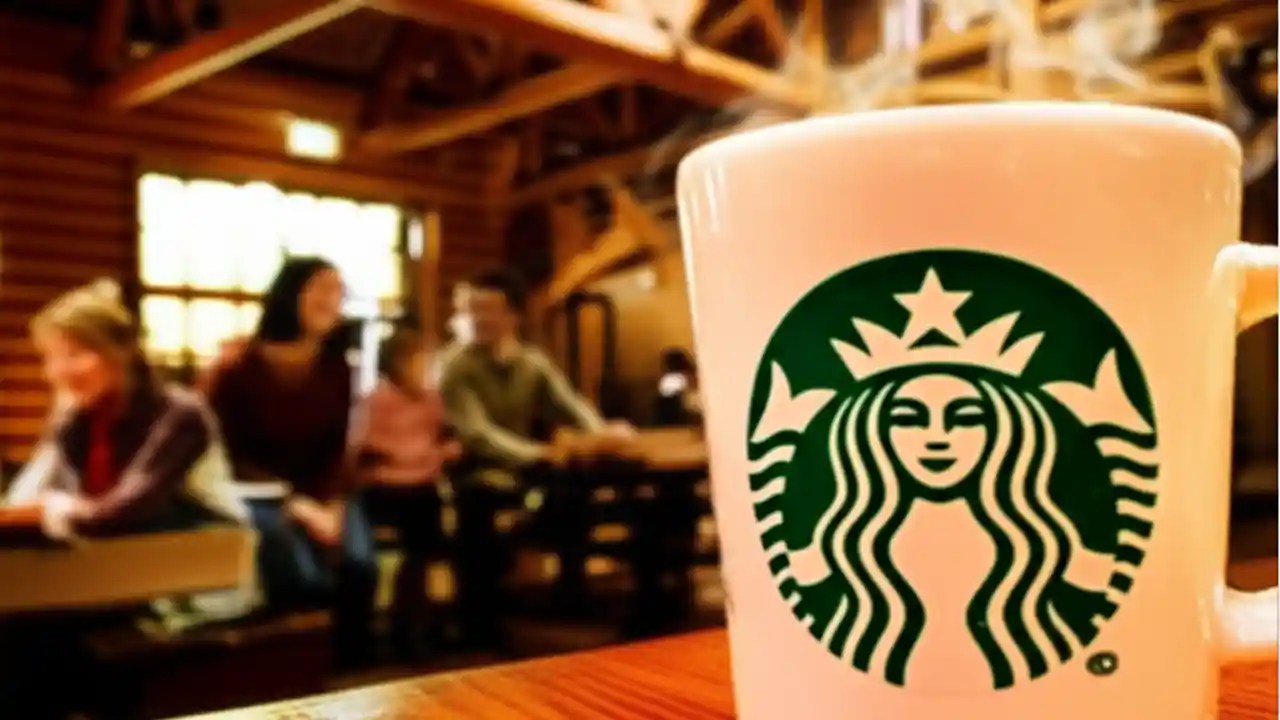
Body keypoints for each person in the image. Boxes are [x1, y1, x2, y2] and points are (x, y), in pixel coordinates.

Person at [1, 280, 248, 719]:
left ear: (124, 352)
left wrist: (56, 511)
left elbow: (123, 510)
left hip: (193, 576)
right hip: (113, 573)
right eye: (52, 358)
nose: (56, 372)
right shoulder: (77, 419)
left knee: (50, 642)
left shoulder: (180, 414)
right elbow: (35, 498)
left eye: (75, 354)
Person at [203, 257, 377, 668]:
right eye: (319, 288)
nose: (331, 299)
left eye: (338, 290)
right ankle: (294, 670)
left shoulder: (339, 370)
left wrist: (332, 503)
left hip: (321, 490)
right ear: (289, 293)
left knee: (359, 565)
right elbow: (223, 454)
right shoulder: (235, 366)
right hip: (254, 492)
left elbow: (339, 449)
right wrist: (293, 503)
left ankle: (357, 675)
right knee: (303, 577)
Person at [439, 269, 622, 646]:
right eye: (473, 309)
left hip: (526, 469)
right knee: (478, 505)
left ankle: (570, 595)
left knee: (574, 493)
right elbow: (476, 434)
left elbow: (570, 405)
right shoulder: (456, 365)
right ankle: (478, 624)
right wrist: (538, 454)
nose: (479, 318)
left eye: (489, 309)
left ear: (513, 316)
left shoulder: (531, 362)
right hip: (474, 471)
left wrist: (601, 433)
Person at [348, 327, 460, 661]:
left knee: (425, 545)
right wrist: (406, 455)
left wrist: (443, 452)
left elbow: (445, 436)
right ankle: (379, 633)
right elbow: (364, 448)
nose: (421, 368)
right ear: (394, 364)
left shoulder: (431, 398)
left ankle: (413, 623)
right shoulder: (376, 399)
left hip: (422, 484)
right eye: (414, 361)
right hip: (383, 487)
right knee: (401, 533)